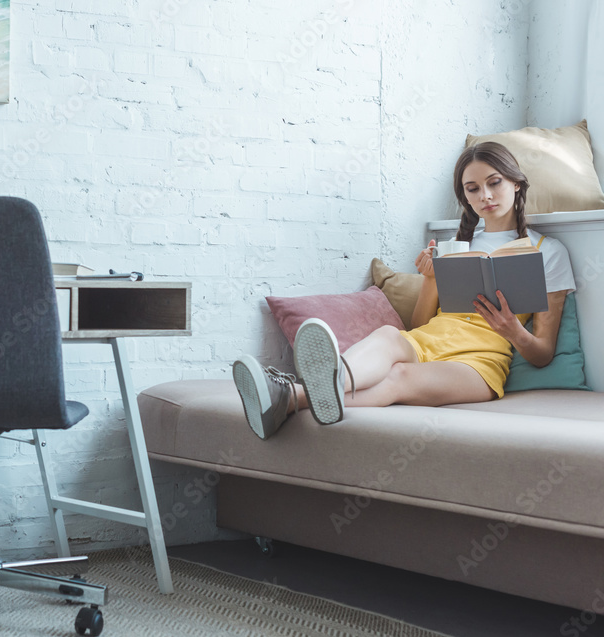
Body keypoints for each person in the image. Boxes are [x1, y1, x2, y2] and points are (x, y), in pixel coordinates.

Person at [233, 141, 576, 439]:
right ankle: (297, 396)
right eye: (472, 189)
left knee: (399, 376)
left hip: (480, 364)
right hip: (429, 340)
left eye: (494, 182)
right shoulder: (455, 247)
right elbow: (419, 324)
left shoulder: (547, 251)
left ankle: (290, 395)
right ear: (465, 198)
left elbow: (542, 353)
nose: (485, 195)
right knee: (388, 334)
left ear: (516, 183)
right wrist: (429, 278)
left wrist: (513, 329)